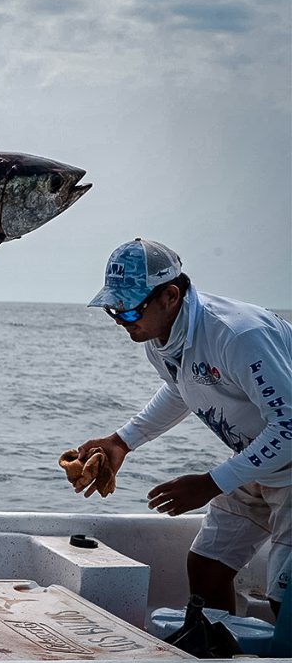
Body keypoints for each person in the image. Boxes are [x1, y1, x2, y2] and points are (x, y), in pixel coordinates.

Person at [75, 238, 291, 618]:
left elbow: (289, 426)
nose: (122, 322)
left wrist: (212, 483)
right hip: (260, 460)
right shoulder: (159, 337)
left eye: (129, 311)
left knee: (284, 599)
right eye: (113, 310)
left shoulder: (239, 335)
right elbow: (182, 390)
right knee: (208, 566)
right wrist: (121, 442)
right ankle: (218, 660)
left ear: (170, 296)